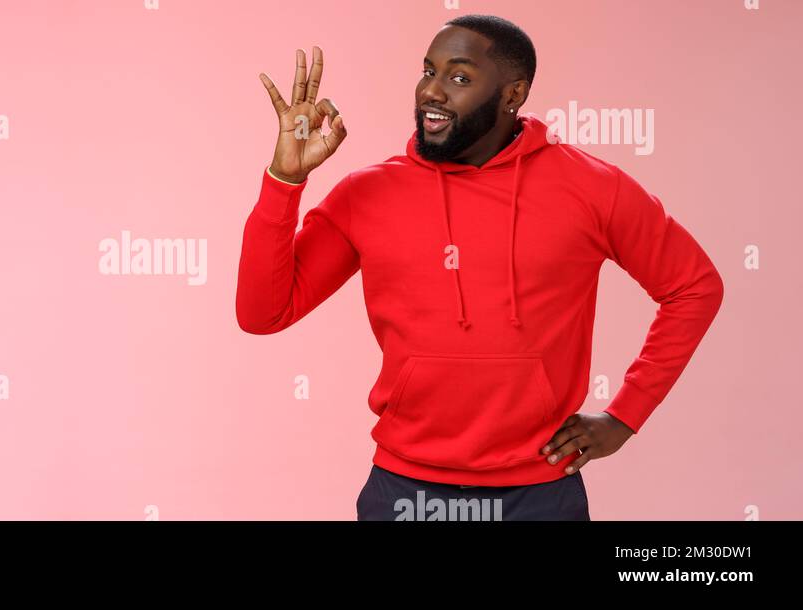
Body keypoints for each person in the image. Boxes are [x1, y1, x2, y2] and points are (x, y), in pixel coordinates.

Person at [235, 14, 724, 520]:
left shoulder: (591, 188)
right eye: (428, 71)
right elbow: (263, 313)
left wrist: (625, 416)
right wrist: (283, 180)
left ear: (513, 94)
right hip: (405, 492)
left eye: (460, 78)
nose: (433, 91)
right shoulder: (368, 193)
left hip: (539, 494)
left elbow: (694, 287)